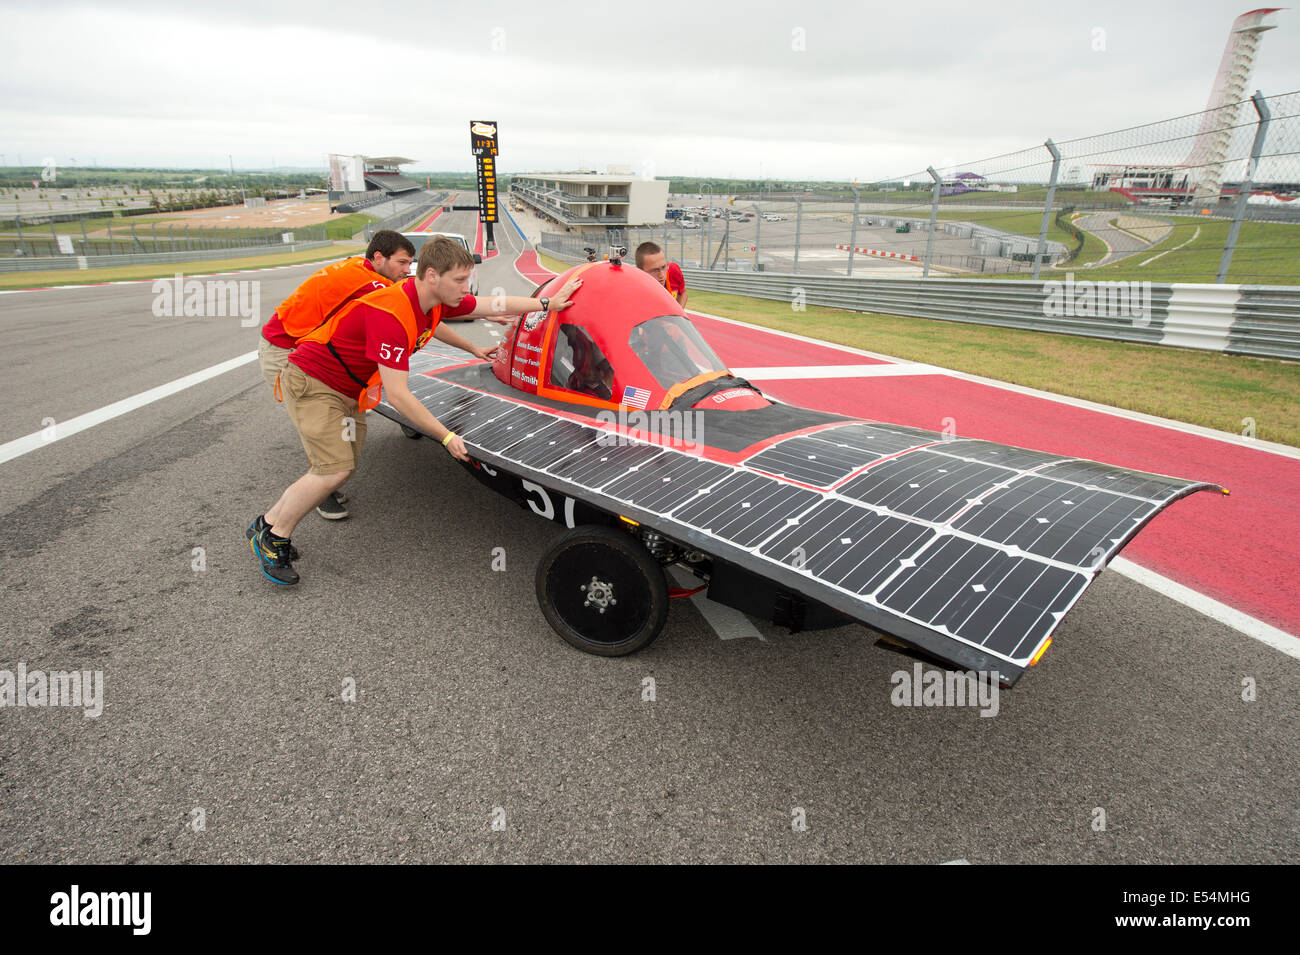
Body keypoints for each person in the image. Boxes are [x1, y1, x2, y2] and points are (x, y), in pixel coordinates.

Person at [249, 236, 582, 585]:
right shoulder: (391, 313)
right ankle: (275, 537)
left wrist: (547, 302)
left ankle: (266, 523)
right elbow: (399, 394)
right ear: (432, 276)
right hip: (316, 384)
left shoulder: (432, 298)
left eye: (466, 279)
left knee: (341, 467)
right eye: (458, 280)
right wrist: (446, 436)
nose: (464, 288)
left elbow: (490, 303)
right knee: (332, 469)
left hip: (347, 388)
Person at [257, 229, 415, 522]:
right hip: (287, 348)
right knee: (320, 425)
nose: (408, 270)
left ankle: (327, 476)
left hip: (292, 341)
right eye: (402, 262)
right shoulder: (373, 285)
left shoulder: (358, 265)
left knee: (334, 427)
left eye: (410, 264)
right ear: (378, 258)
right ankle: (321, 488)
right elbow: (409, 307)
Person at [635, 241, 688, 308]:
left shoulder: (673, 270)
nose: (662, 275)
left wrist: (679, 313)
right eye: (655, 270)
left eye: (663, 267)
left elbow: (683, 291)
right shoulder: (635, 294)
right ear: (640, 272)